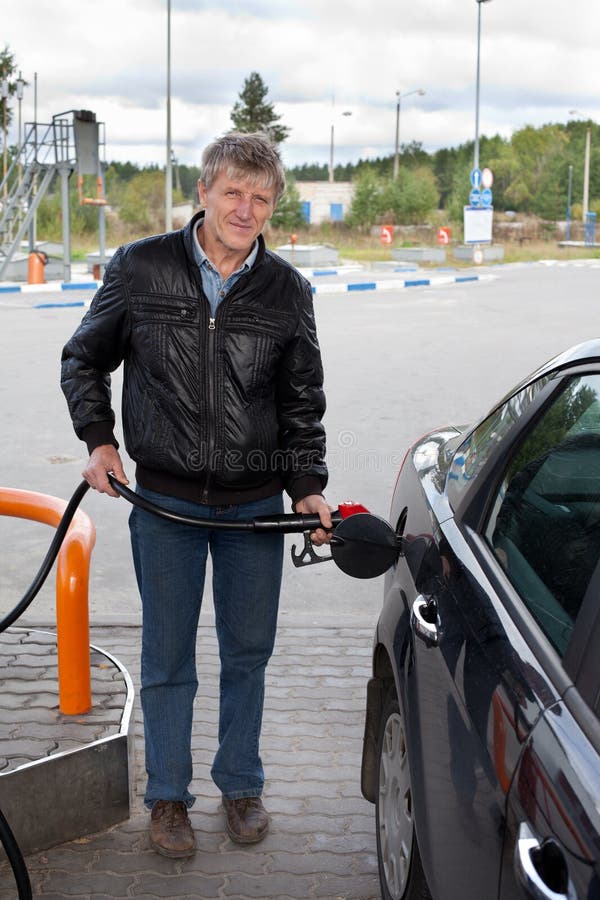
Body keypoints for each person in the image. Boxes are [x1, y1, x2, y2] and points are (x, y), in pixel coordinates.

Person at [61, 132, 331, 858]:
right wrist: (99, 441)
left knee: (248, 653)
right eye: (233, 193)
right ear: (204, 192)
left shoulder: (288, 291)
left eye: (261, 198)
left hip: (253, 511)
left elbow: (302, 402)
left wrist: (306, 489)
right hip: (166, 507)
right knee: (168, 657)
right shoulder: (142, 267)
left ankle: (241, 786)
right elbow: (84, 357)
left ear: (273, 206)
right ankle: (168, 800)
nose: (246, 209)